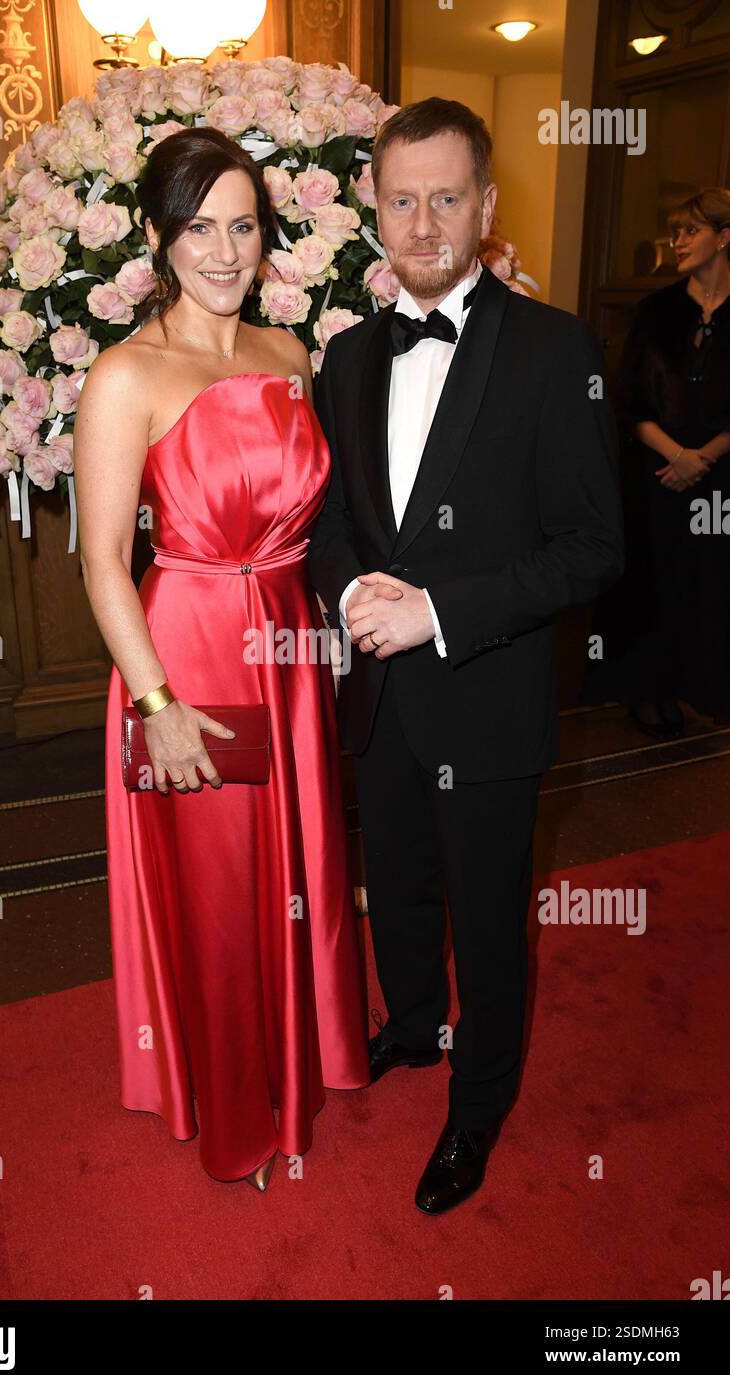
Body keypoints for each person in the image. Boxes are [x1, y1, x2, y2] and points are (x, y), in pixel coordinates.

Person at [308, 98, 624, 1215]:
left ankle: (477, 1106)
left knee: (487, 921)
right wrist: (351, 592)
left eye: (447, 197)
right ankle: (405, 1024)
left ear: (486, 207)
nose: (424, 220)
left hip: (485, 700)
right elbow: (329, 520)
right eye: (402, 199)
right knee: (392, 881)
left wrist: (437, 610)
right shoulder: (344, 357)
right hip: (380, 699)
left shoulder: (554, 349)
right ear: (372, 211)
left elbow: (592, 545)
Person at [73, 127, 369, 1191]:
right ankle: (241, 1110)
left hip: (287, 651)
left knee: (293, 869)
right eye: (199, 226)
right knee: (219, 890)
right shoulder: (125, 375)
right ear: (156, 238)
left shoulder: (289, 356)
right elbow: (103, 559)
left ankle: (302, 1064)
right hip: (188, 652)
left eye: (242, 224)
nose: (224, 249)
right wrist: (152, 700)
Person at [583, 188, 730, 737]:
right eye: (675, 231)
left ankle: (695, 686)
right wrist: (676, 455)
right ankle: (647, 690)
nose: (679, 242)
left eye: (691, 231)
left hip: (720, 479)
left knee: (708, 581)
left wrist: (705, 456)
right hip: (654, 472)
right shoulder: (656, 309)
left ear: (724, 237)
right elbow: (625, 400)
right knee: (651, 580)